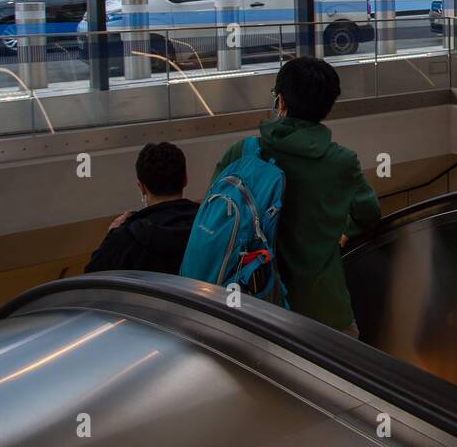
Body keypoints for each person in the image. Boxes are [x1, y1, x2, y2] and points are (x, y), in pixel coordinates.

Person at [212, 56, 380, 337]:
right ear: (327, 107)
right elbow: (370, 214)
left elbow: (214, 216)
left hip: (254, 309)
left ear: (280, 101)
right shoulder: (342, 162)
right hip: (324, 311)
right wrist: (346, 232)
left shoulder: (241, 154)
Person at [86, 142, 198, 274]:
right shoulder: (208, 224)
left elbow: (93, 276)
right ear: (185, 179)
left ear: (141, 187)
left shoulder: (126, 237)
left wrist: (112, 235)